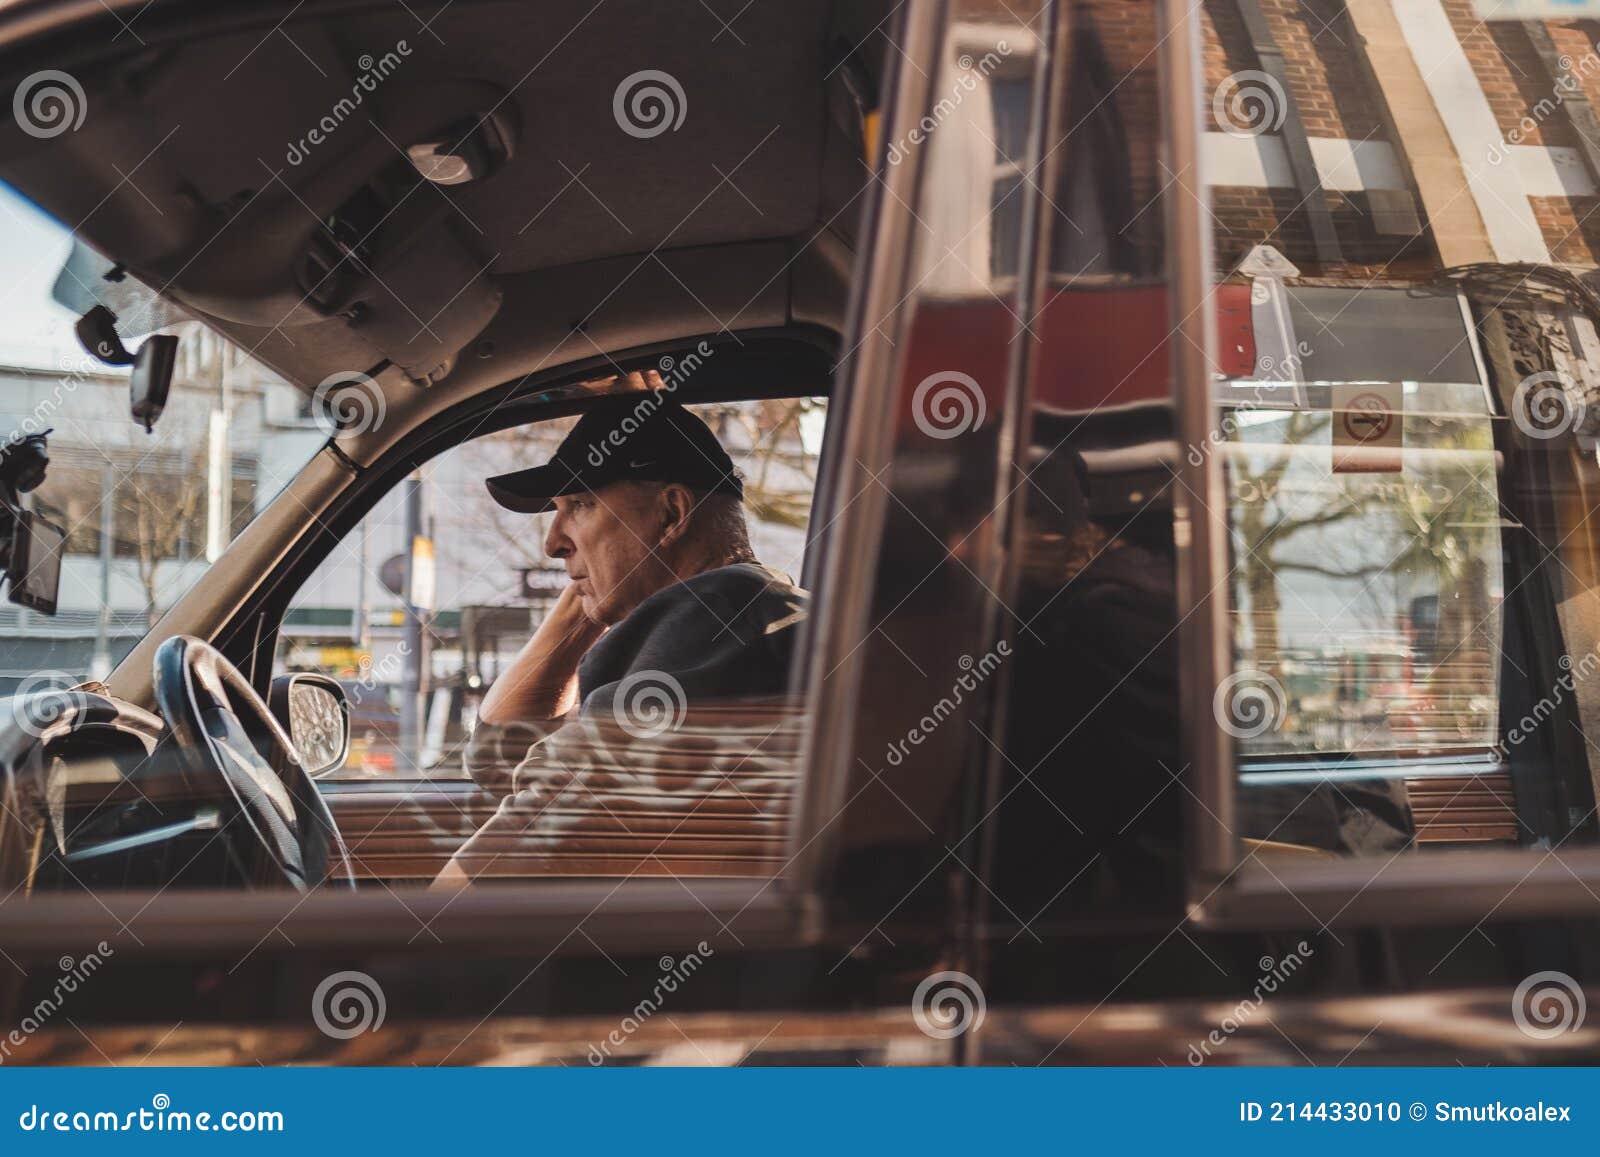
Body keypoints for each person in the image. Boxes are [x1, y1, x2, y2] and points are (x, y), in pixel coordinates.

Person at [437, 392, 808, 886]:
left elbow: (498, 867)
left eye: (582, 504)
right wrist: (591, 593)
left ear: (674, 513)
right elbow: (499, 763)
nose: (551, 542)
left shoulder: (713, 618)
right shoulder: (745, 606)